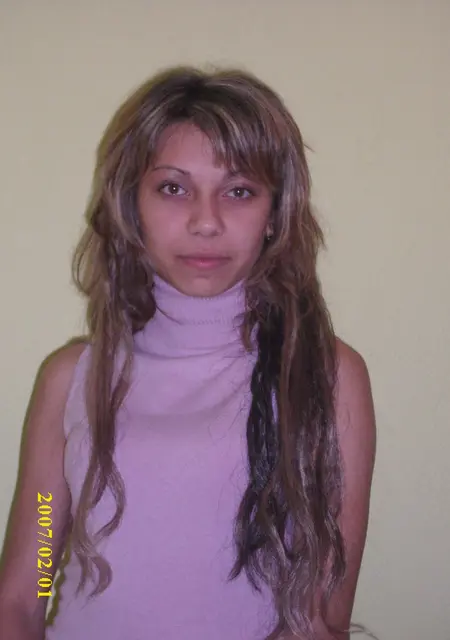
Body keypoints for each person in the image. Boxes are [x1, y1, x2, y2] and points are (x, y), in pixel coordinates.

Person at [0, 65, 376, 640]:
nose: (206, 222)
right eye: (173, 188)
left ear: (275, 213)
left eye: (239, 191)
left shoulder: (325, 376)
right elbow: (27, 590)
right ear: (133, 204)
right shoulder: (73, 378)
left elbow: (320, 619)